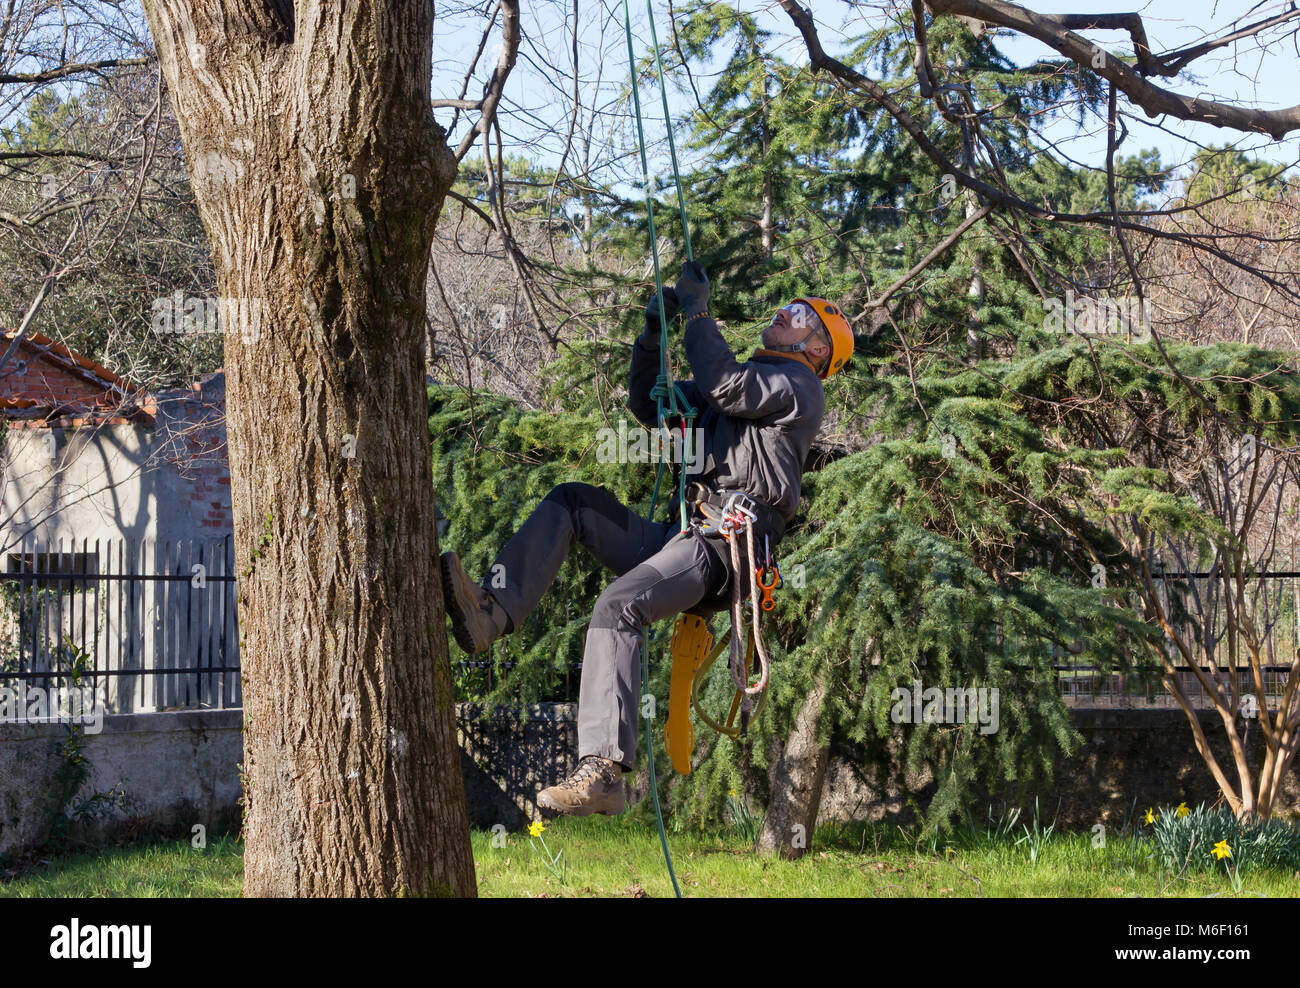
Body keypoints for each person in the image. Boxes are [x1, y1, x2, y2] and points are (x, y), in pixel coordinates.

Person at [440, 261, 853, 815]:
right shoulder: (744, 390)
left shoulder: (796, 387)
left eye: (800, 316)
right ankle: (489, 614)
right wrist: (653, 336)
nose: (784, 313)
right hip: (685, 534)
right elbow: (649, 404)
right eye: (788, 306)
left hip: (721, 549)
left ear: (818, 351)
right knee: (574, 502)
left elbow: (724, 382)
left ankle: (604, 771)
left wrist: (699, 315)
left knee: (618, 605)